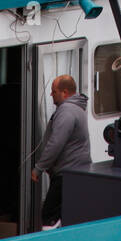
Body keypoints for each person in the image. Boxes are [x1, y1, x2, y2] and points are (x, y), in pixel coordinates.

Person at [31, 75, 91, 227]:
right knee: (66, 215)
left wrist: (39, 168)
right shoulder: (76, 109)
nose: (51, 94)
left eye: (54, 91)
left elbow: (56, 143)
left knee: (49, 214)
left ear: (64, 92)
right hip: (76, 172)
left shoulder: (67, 111)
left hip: (66, 174)